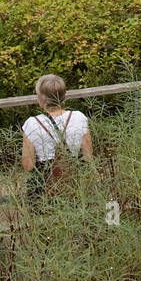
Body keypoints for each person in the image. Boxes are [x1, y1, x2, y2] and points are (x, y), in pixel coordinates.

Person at [21, 74, 93, 204]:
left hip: (43, 191)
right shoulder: (79, 118)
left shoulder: (31, 124)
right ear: (63, 96)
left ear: (41, 99)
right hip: (74, 187)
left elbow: (28, 165)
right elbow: (88, 157)